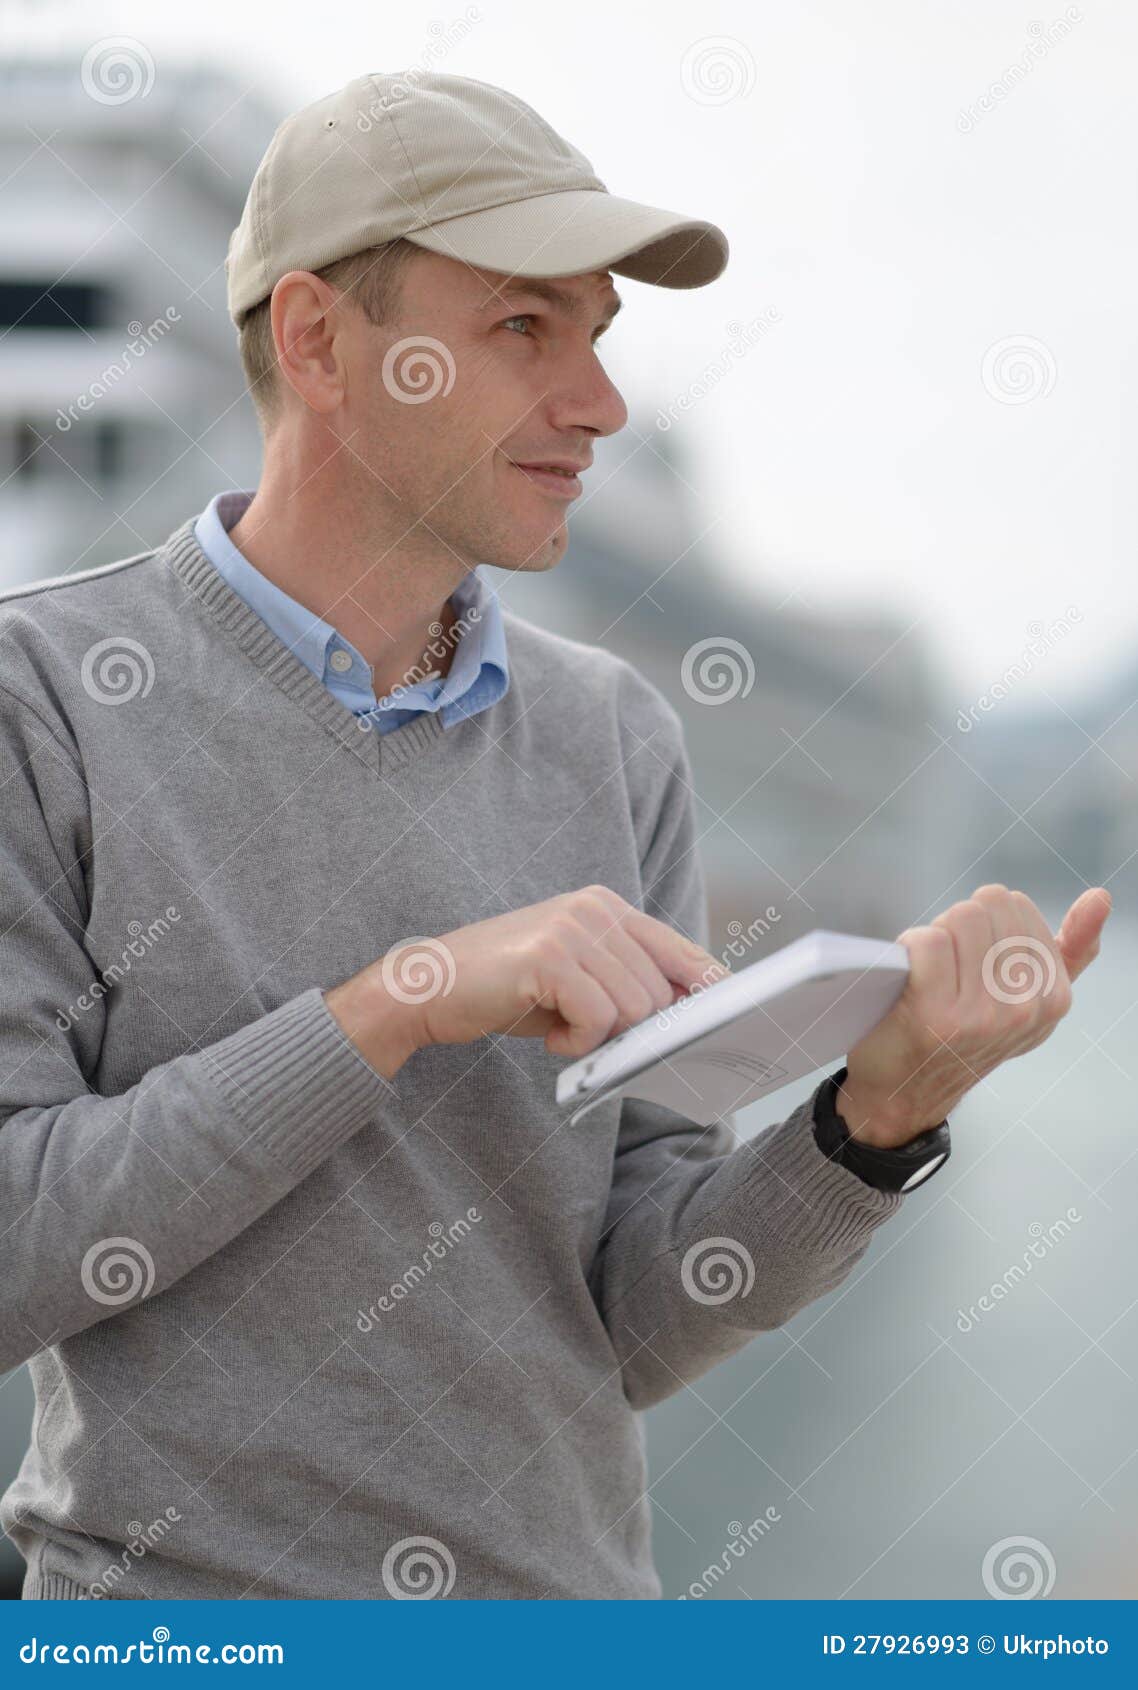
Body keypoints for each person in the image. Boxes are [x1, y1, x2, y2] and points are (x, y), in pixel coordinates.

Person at [0, 71, 1109, 1602]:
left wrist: (873, 1119)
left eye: (597, 333)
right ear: (322, 344)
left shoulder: (613, 734)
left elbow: (632, 1324)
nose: (598, 401)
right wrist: (399, 999)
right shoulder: (38, 699)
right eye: (525, 328)